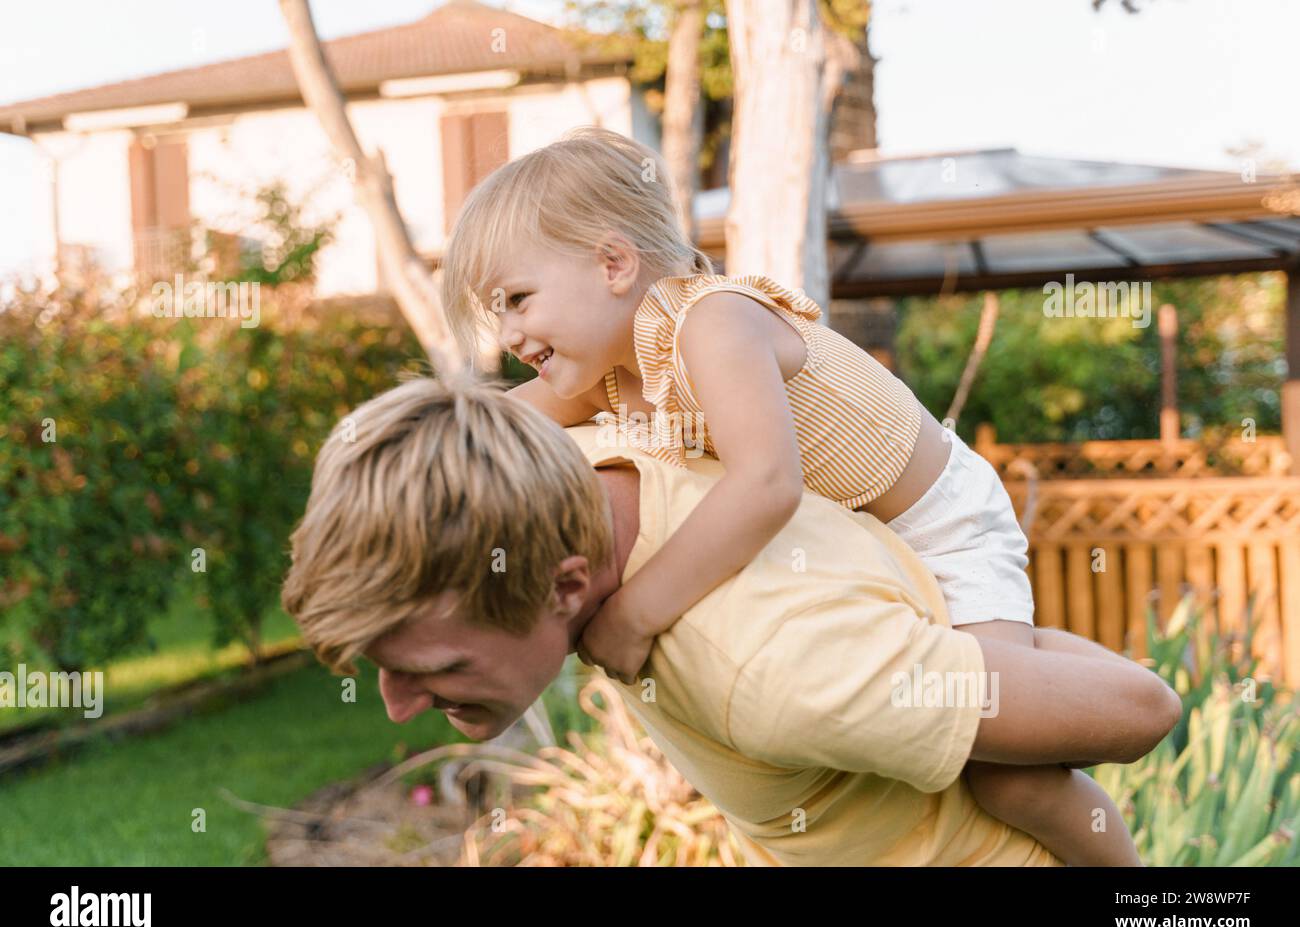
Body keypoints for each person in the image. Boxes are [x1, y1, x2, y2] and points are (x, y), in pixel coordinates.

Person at [436, 126, 1135, 864]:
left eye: (517, 299)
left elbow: (767, 485)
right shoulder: (609, 369)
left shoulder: (714, 323)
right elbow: (490, 426)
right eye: (496, 313)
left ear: (613, 264)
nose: (508, 334)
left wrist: (636, 616)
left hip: (942, 528)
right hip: (864, 543)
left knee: (1004, 778)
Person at [280, 377, 1182, 867]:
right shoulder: (589, 450)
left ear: (563, 587)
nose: (396, 705)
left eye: (429, 667)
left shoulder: (781, 671)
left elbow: (1142, 710)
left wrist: (965, 648)